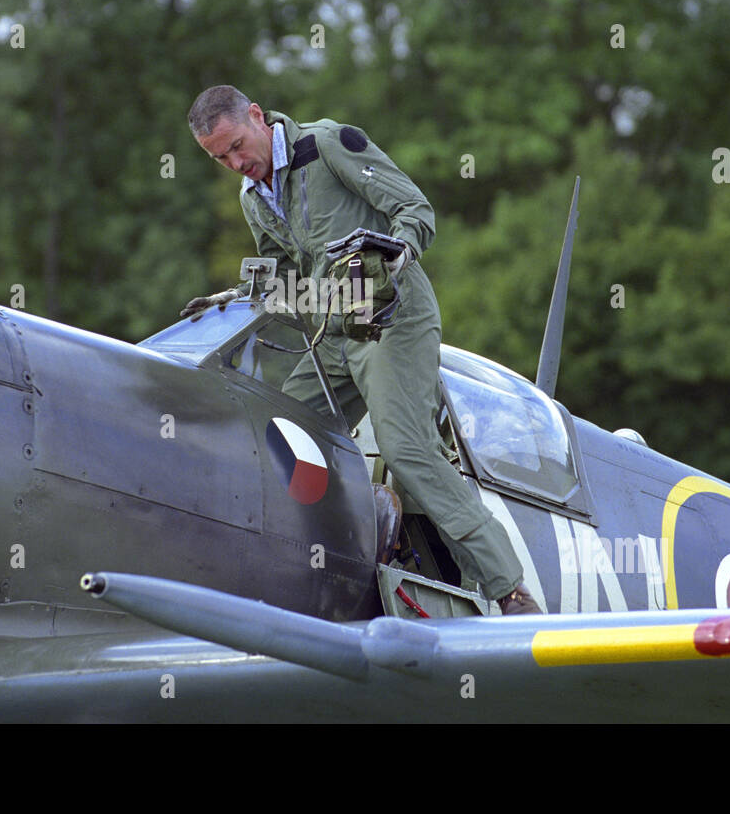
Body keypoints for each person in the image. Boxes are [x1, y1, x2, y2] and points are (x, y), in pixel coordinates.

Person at [183, 85, 540, 616]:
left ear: (257, 116)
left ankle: (509, 589)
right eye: (221, 158)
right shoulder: (252, 197)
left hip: (391, 316)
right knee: (278, 437)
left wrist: (395, 254)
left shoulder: (327, 146)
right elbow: (285, 277)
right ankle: (320, 580)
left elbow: (415, 210)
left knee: (405, 449)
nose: (236, 163)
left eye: (237, 146)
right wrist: (238, 297)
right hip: (336, 332)